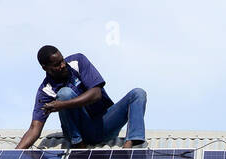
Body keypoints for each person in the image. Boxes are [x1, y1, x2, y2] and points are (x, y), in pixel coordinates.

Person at [15, 45, 147, 150]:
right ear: (45, 68)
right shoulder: (46, 91)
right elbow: (34, 128)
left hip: (103, 124)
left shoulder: (77, 62)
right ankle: (78, 144)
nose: (62, 65)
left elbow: (96, 94)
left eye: (62, 60)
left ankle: (130, 145)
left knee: (138, 94)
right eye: (56, 65)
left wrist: (61, 105)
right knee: (64, 93)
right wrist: (14, 156)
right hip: (80, 131)